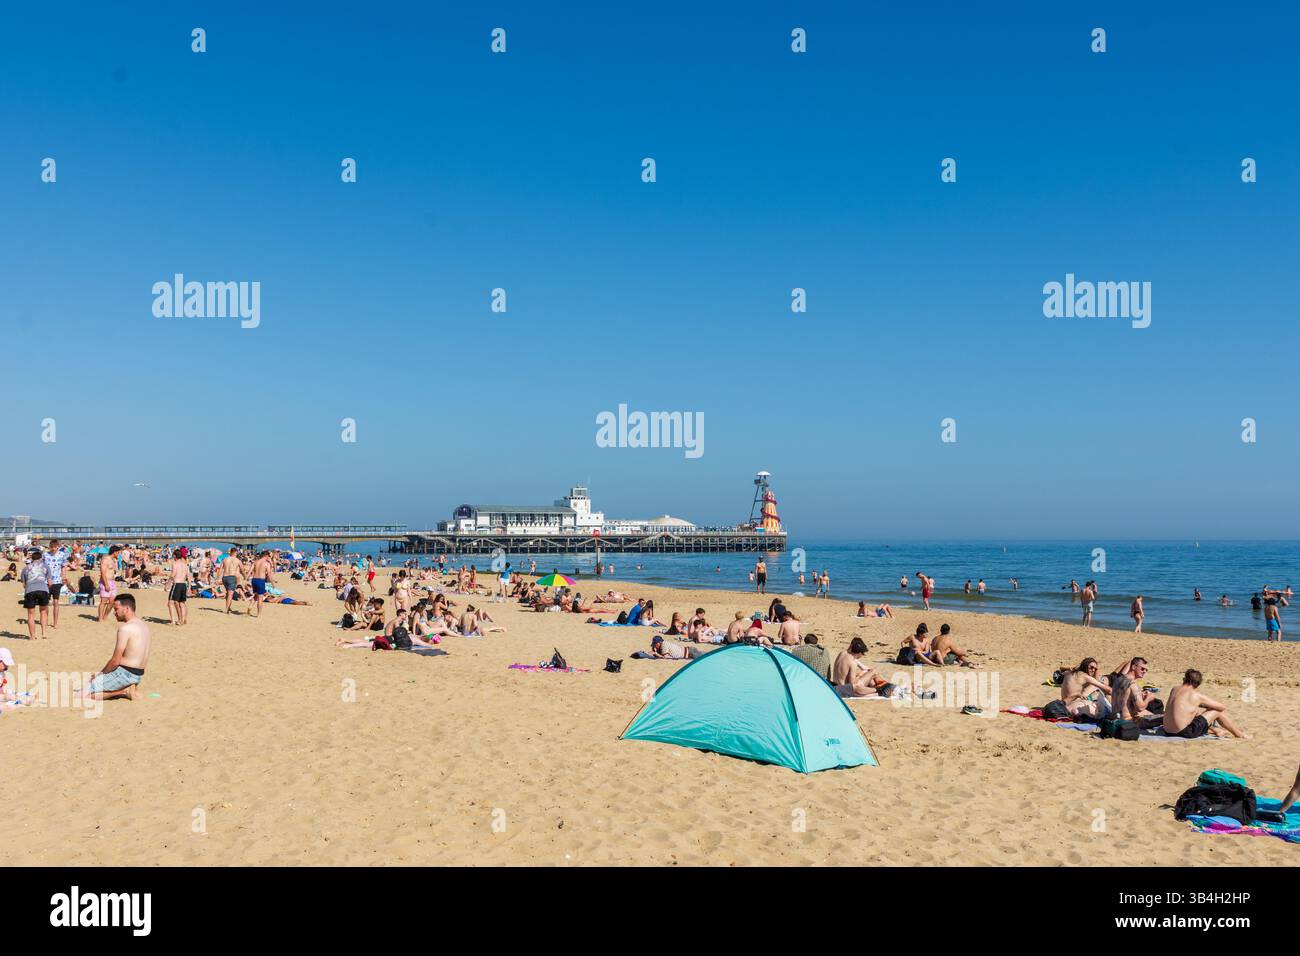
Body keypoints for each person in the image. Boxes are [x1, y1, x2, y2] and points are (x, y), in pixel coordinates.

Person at [80, 593, 151, 701]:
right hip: (138, 674)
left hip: (125, 673)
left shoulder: (126, 628)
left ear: (126, 609)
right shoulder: (144, 626)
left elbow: (115, 661)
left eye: (116, 609)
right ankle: (126, 688)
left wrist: (100, 674)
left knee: (82, 694)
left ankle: (124, 691)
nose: (114, 613)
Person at [1163, 669, 1247, 739]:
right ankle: (1240, 735)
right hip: (1184, 733)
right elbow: (1222, 707)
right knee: (1217, 711)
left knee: (1195, 711)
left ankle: (1217, 730)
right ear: (1198, 683)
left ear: (1184, 679)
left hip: (1167, 731)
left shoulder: (1174, 689)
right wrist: (1204, 705)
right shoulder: (1195, 695)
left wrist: (1198, 706)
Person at [21, 549, 51, 640]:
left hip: (30, 590)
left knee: (31, 615)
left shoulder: (26, 568)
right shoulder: (45, 566)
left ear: (31, 558)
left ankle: (33, 636)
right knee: (43, 612)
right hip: (43, 589)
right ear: (41, 558)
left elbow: (24, 584)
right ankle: (44, 633)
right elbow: (50, 583)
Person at [42, 539, 69, 629]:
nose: (53, 549)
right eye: (52, 547)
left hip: (57, 581)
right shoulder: (45, 555)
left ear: (58, 546)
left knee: (56, 602)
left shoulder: (62, 555)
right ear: (50, 546)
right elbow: (41, 567)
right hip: (46, 581)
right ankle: (45, 621)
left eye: (55, 547)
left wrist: (64, 577)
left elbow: (63, 567)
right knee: (46, 602)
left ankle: (55, 622)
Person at [97, 545, 122, 623]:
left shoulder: (113, 560)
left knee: (112, 601)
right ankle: (100, 618)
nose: (119, 554)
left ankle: (105, 616)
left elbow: (113, 571)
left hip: (112, 582)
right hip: (105, 581)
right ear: (114, 552)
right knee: (103, 601)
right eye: (118, 553)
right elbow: (103, 573)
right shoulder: (105, 560)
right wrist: (106, 584)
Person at [167, 548, 191, 626]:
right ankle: (183, 619)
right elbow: (188, 576)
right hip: (183, 585)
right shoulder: (185, 564)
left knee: (170, 602)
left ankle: (173, 621)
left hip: (177, 584)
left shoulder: (175, 563)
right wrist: (189, 587)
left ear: (174, 556)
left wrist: (168, 584)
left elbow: (173, 574)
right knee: (182, 603)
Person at [250, 551, 274, 618]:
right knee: (260, 598)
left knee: (256, 595)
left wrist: (246, 578)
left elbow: (250, 571)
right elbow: (269, 574)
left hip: (254, 580)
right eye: (269, 556)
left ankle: (250, 606)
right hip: (260, 580)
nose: (269, 557)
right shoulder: (266, 563)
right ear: (266, 556)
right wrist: (273, 583)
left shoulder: (255, 562)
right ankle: (259, 614)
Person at [219, 550, 243, 614]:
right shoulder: (237, 560)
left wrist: (218, 578)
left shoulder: (224, 559)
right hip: (232, 577)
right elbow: (242, 569)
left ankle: (228, 607)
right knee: (230, 594)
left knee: (228, 593)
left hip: (224, 577)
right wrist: (245, 576)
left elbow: (220, 569)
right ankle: (226, 609)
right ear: (235, 553)